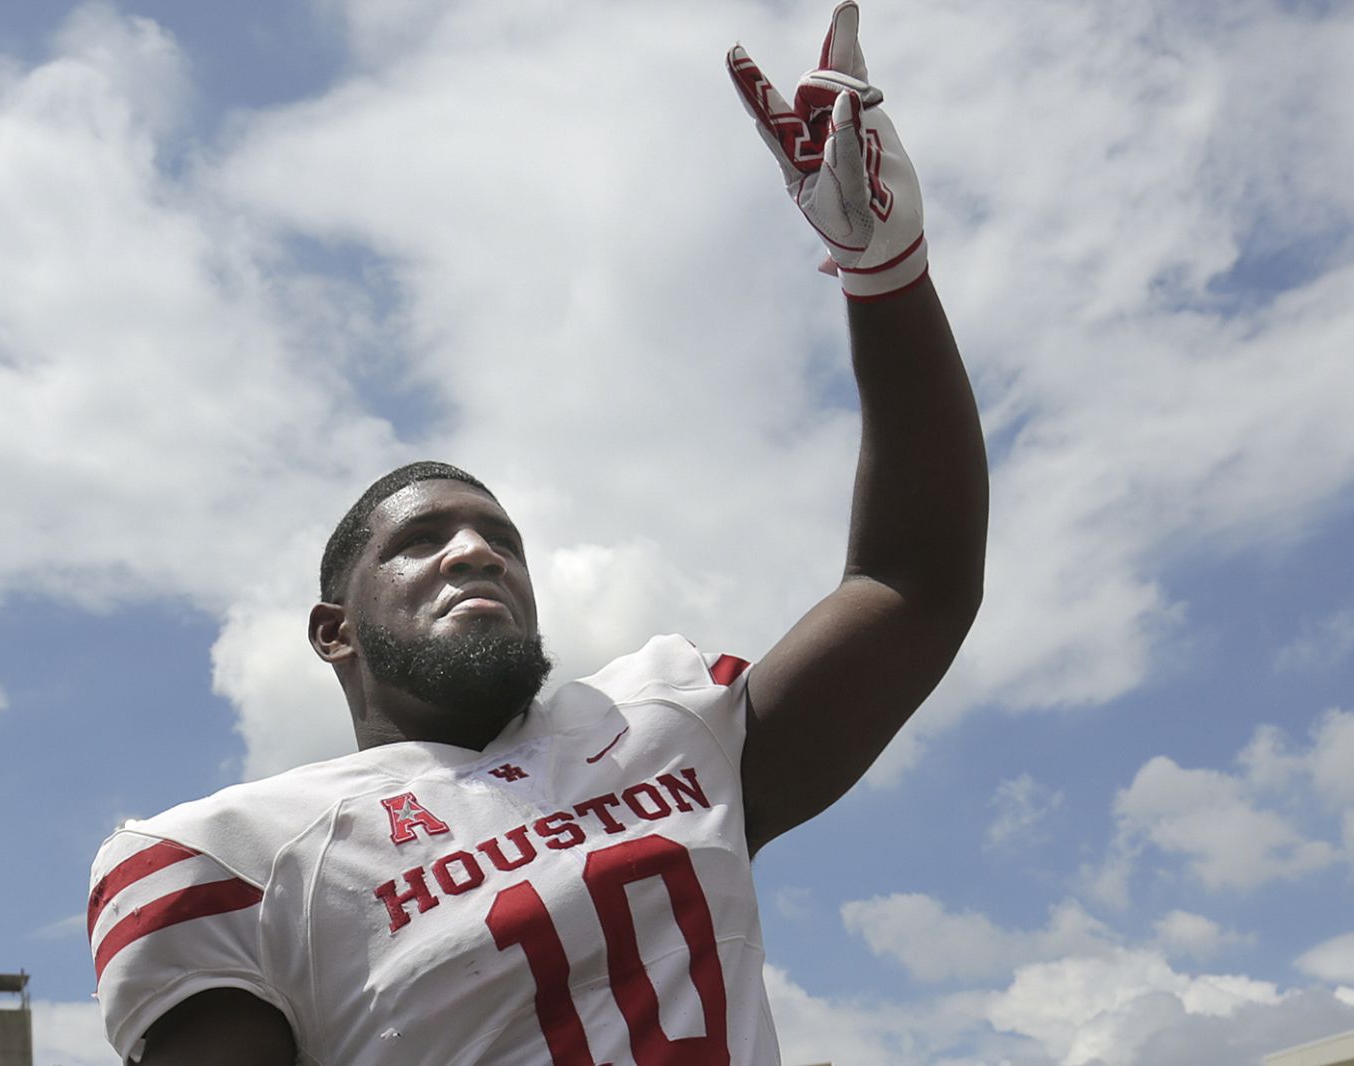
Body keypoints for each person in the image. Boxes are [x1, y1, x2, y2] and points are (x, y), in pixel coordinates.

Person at [87, 4, 987, 1062]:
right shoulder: (227, 856)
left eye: (498, 539)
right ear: (332, 630)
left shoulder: (660, 732)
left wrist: (885, 274)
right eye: (416, 543)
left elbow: (911, 581)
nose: (473, 554)